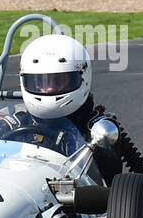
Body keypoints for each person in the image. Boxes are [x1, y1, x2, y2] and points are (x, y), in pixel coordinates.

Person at [19, 33, 123, 184]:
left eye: (58, 81)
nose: (48, 90)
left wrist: (102, 147)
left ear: (82, 77)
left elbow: (112, 181)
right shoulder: (15, 122)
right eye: (40, 82)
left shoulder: (95, 128)